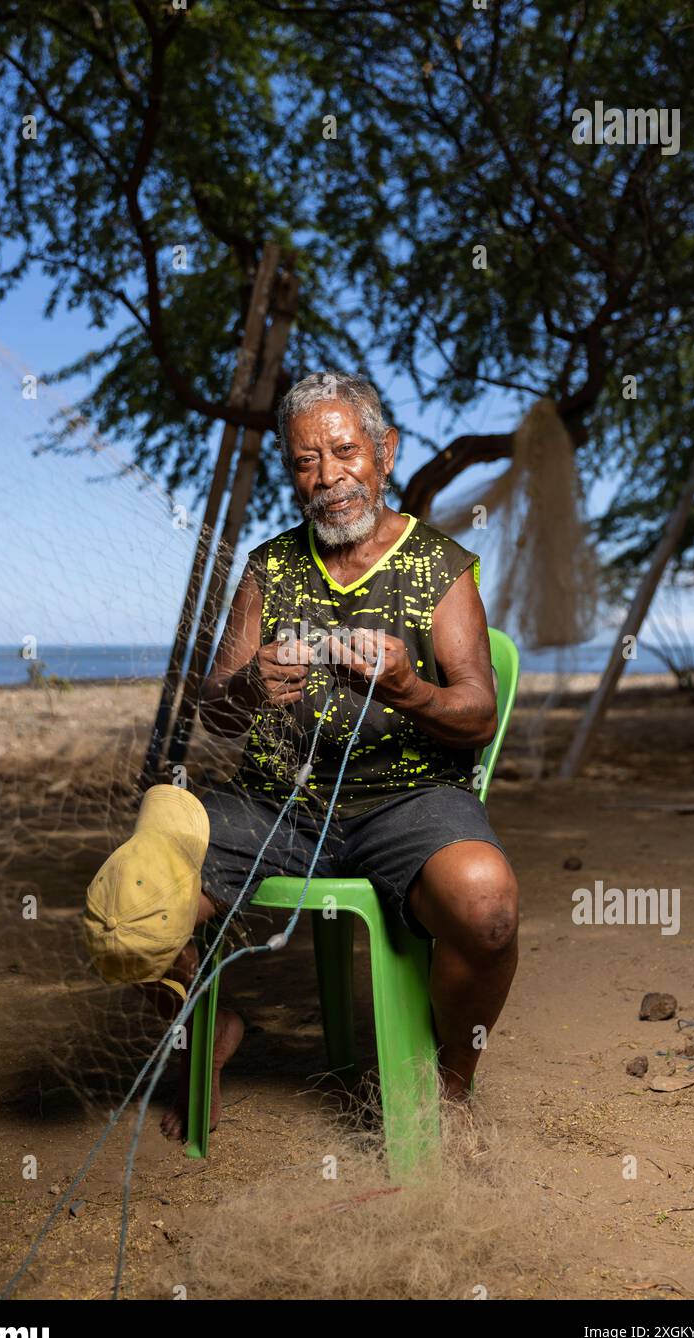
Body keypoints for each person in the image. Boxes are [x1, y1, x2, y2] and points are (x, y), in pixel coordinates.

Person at [157, 370, 519, 1141]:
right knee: (144, 894)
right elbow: (214, 714)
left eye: (344, 451)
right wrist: (252, 685)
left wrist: (411, 690)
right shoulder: (270, 568)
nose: (327, 478)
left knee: (485, 906)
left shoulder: (438, 567)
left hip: (409, 801)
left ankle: (451, 1086)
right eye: (304, 461)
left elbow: (478, 714)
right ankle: (209, 1030)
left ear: (384, 453)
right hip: (276, 804)